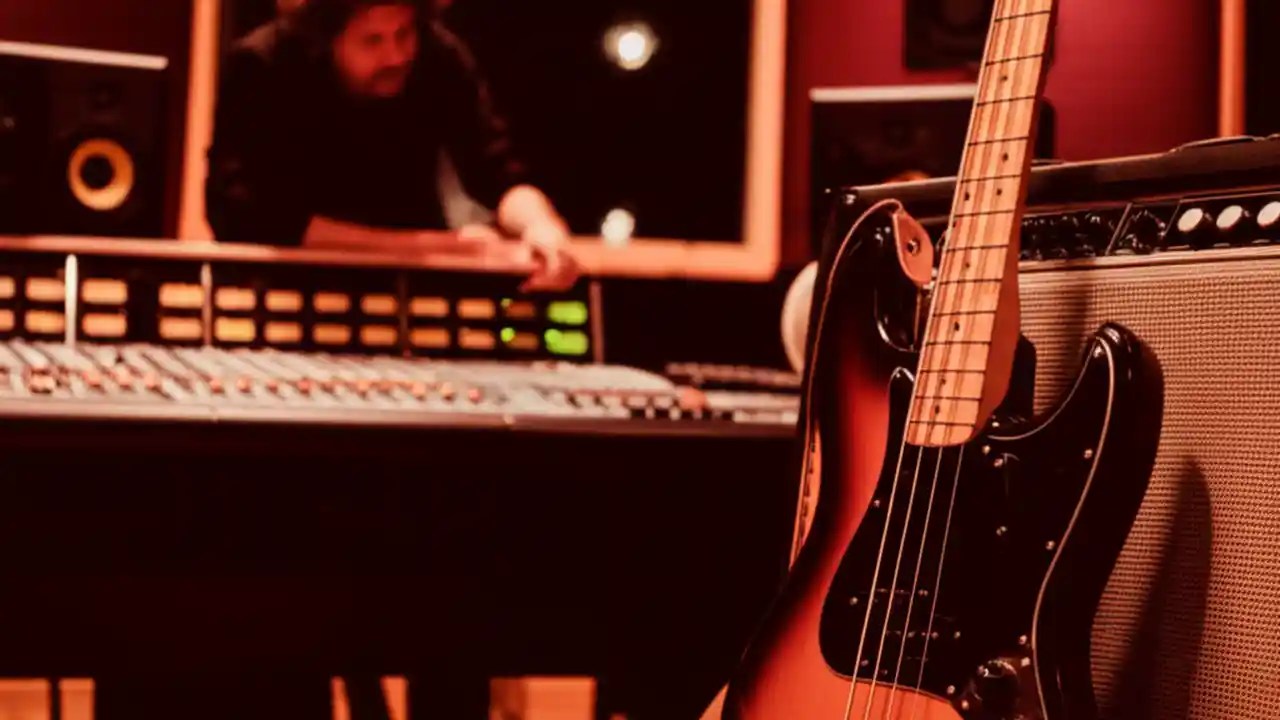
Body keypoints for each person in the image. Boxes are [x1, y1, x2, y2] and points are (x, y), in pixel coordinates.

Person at [206, 0, 578, 292]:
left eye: (404, 33)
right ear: (323, 40)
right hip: (283, 295)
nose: (396, 56)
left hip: (409, 295)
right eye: (373, 40)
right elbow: (253, 219)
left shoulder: (439, 55)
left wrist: (541, 227)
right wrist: (441, 248)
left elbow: (498, 171)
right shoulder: (262, 66)